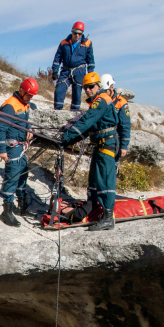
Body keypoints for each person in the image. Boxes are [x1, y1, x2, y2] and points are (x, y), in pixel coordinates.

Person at [60, 72, 120, 231]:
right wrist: (69, 139)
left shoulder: (101, 101)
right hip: (100, 145)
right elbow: (90, 127)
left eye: (91, 87)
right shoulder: (97, 101)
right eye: (85, 88)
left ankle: (108, 217)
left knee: (105, 181)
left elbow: (87, 121)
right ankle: (93, 206)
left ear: (98, 86)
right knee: (94, 179)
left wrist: (67, 136)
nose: (87, 90)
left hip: (106, 145)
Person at [0, 78, 39, 227]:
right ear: (21, 91)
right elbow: (1, 129)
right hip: (12, 147)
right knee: (12, 177)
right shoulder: (10, 106)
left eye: (32, 96)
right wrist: (2, 150)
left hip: (21, 146)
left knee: (23, 175)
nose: (30, 98)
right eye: (29, 95)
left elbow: (24, 123)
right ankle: (6, 211)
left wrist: (29, 130)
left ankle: (22, 207)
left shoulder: (24, 105)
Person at [50, 21, 95, 111]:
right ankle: (57, 111)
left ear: (82, 33)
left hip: (79, 71)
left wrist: (91, 74)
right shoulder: (64, 43)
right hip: (65, 70)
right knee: (59, 90)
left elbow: (90, 60)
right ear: (72, 31)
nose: (77, 35)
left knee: (77, 93)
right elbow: (57, 58)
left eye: (79, 33)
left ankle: (74, 113)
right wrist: (55, 71)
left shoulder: (87, 43)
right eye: (75, 33)